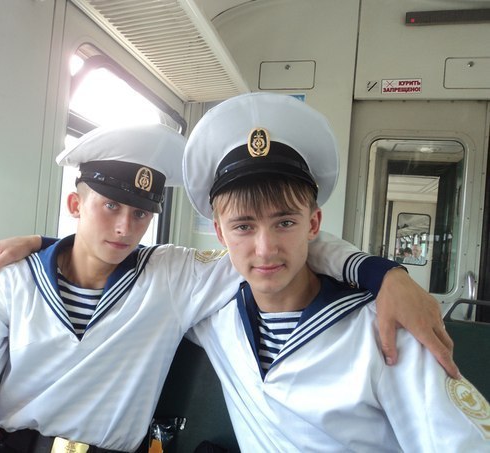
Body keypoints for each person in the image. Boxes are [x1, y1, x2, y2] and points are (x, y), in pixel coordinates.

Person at [0, 122, 438, 452]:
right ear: (76, 203)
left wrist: (380, 272)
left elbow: (271, 247)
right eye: (110, 207)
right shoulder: (14, 280)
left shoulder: (171, 277)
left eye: (140, 214)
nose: (125, 228)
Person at [183, 92, 488, 451]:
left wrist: (386, 275)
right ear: (220, 234)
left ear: (313, 224)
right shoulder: (216, 318)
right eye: (243, 227)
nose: (265, 249)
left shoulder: (384, 331)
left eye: (284, 223)